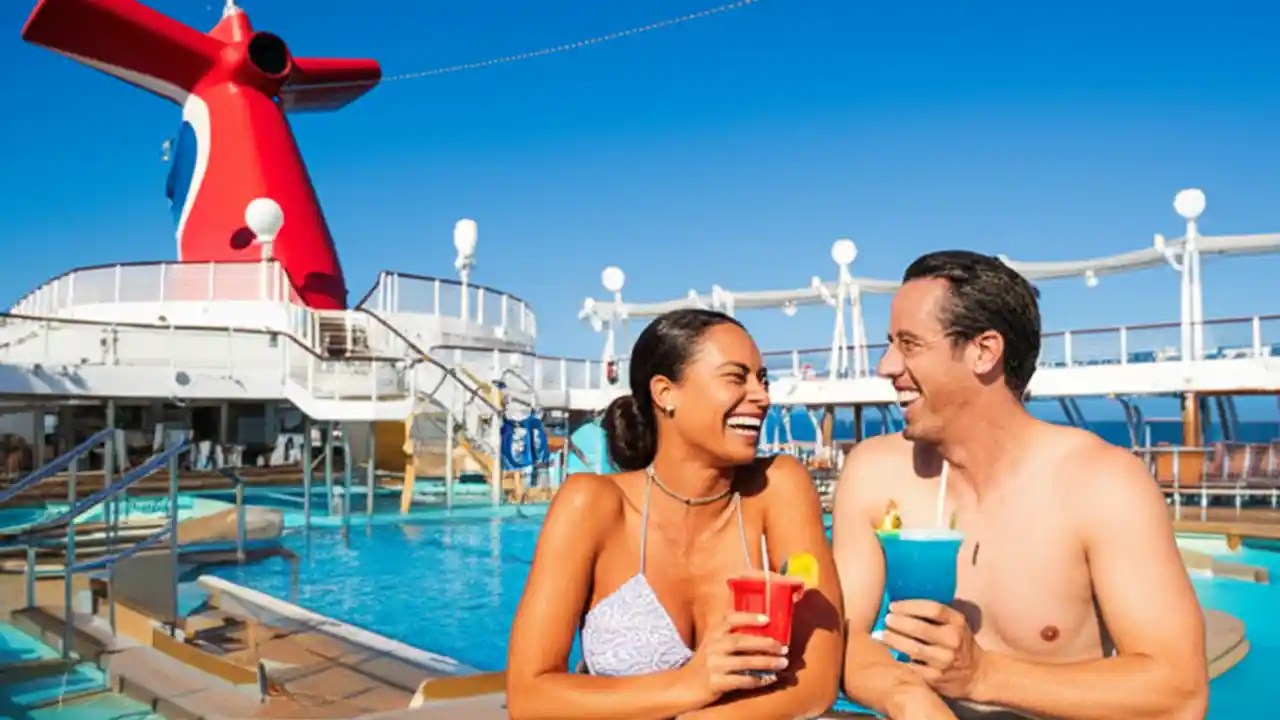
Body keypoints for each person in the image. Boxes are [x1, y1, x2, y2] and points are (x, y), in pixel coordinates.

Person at [832, 250, 1209, 720]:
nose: (886, 366)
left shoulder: (1100, 485)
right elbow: (840, 636)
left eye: (909, 344)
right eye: (890, 343)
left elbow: (1180, 692)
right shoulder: (875, 472)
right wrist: (909, 699)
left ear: (984, 351)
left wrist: (983, 676)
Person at [507, 308, 844, 720]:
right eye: (737, 378)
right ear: (666, 393)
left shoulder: (778, 488)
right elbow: (530, 695)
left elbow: (818, 680)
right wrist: (691, 684)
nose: (762, 397)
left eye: (762, 379)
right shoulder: (591, 504)